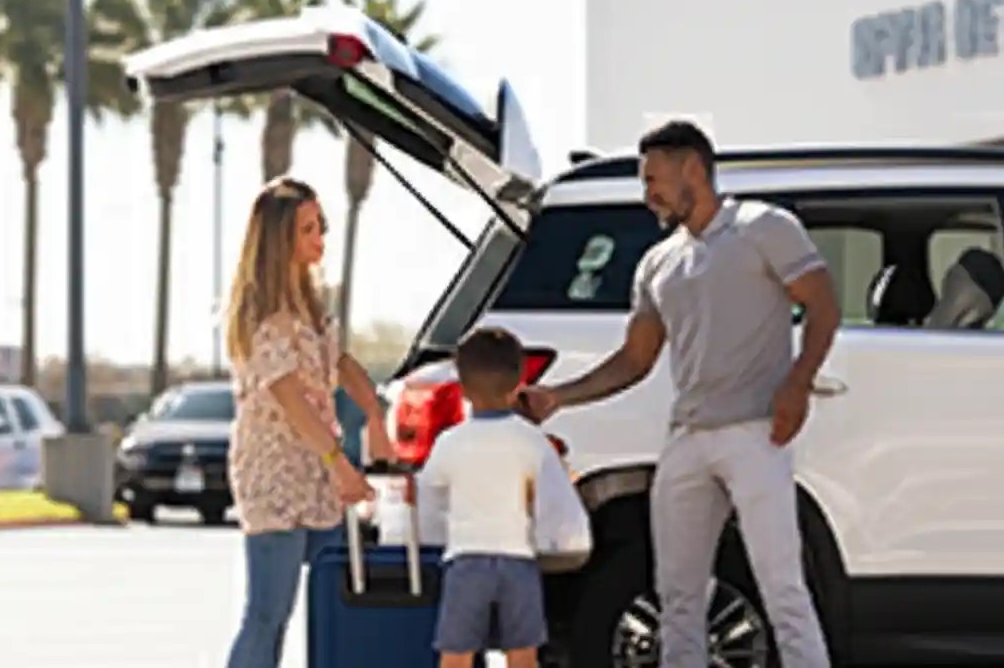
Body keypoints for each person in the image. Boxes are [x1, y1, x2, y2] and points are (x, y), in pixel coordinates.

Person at [520, 120, 841, 668]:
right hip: (688, 440)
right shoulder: (657, 263)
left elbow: (823, 305)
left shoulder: (763, 226)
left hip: (755, 433)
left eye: (653, 179)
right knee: (678, 600)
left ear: (693, 167)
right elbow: (635, 359)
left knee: (783, 589)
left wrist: (798, 383)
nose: (647, 195)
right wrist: (559, 397)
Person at [223, 176, 397, 668]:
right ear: (280, 239)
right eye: (307, 229)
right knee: (268, 615)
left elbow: (341, 363)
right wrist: (340, 465)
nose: (320, 237)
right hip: (275, 476)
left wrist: (375, 415)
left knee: (339, 597)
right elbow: (292, 401)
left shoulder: (314, 304)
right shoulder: (262, 315)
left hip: (318, 472)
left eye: (320, 225)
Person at [418, 327, 552, 668]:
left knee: (456, 654)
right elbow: (545, 490)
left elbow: (430, 491)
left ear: (461, 389)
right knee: (523, 654)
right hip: (518, 559)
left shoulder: (450, 442)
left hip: (466, 560)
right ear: (519, 382)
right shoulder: (532, 439)